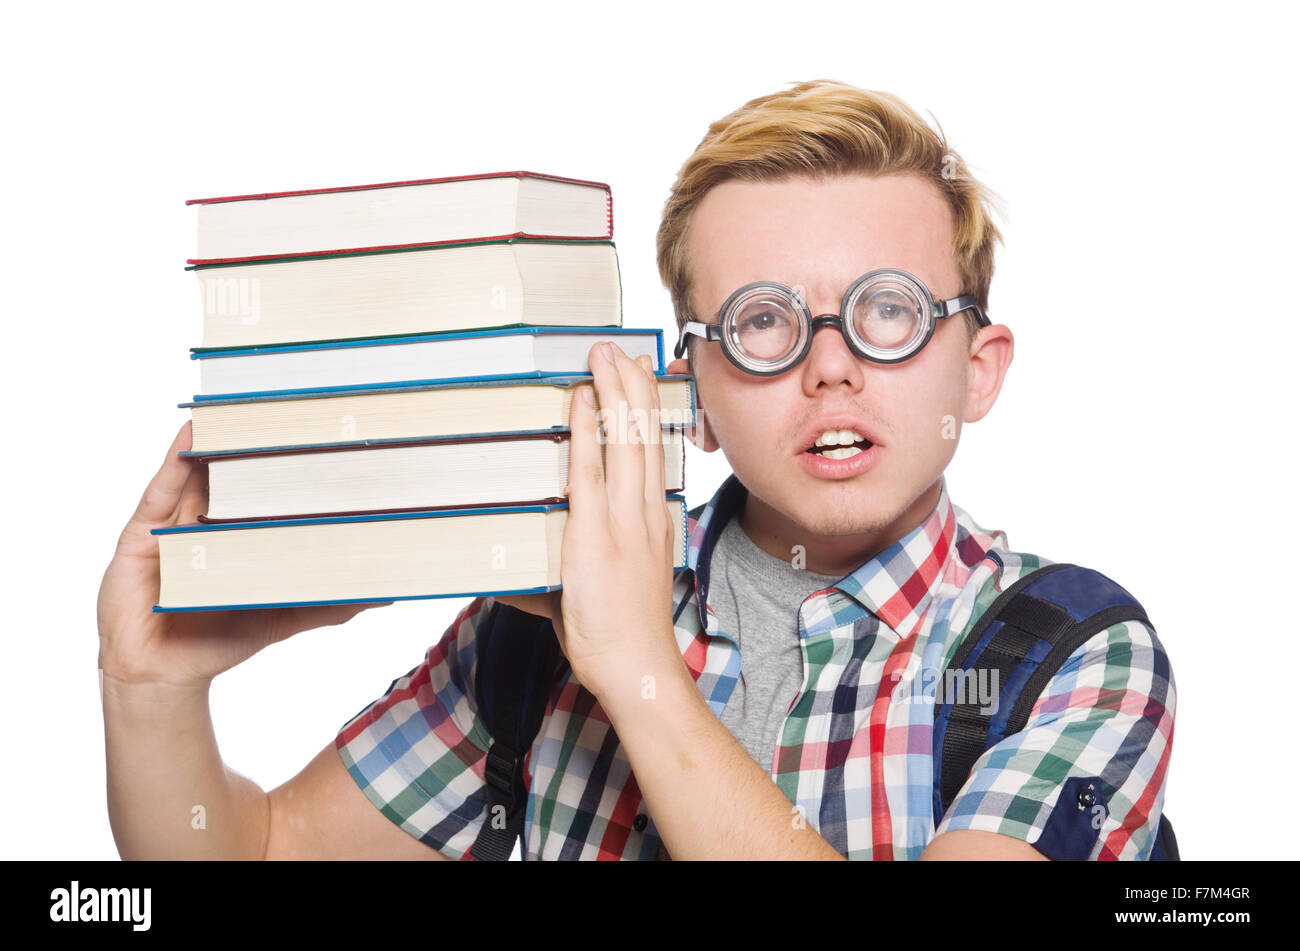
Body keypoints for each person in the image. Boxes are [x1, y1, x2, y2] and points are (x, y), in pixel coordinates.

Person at [99, 79, 1175, 861]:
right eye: (764, 324)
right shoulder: (539, 631)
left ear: (976, 372)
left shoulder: (1070, 653)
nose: (831, 368)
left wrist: (641, 674)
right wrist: (152, 691)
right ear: (690, 396)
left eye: (888, 312)